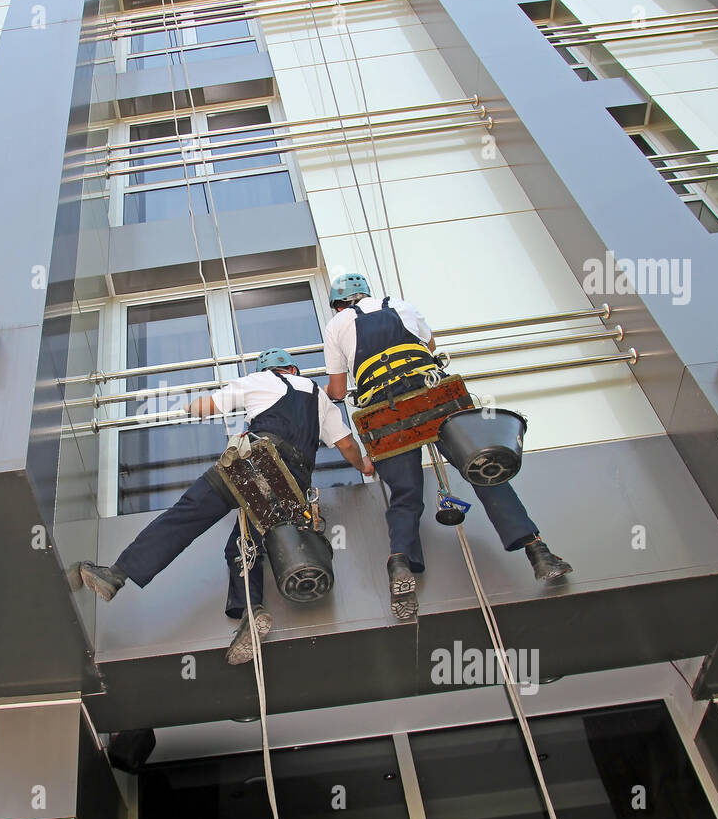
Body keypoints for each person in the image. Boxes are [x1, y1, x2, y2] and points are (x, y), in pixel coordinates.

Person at [76, 347, 374, 665]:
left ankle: (116, 575)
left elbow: (205, 407)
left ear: (268, 369)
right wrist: (365, 466)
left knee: (185, 516)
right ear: (293, 369)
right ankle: (251, 612)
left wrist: (188, 406)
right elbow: (346, 444)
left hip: (255, 464)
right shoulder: (319, 398)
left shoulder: (258, 380)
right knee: (243, 547)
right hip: (291, 489)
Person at [321, 273, 572, 621]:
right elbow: (430, 346)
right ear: (367, 293)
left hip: (387, 413)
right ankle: (538, 550)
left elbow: (336, 389)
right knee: (481, 468)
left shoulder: (336, 326)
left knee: (405, 494)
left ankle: (400, 564)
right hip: (434, 396)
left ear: (337, 304)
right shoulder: (399, 304)